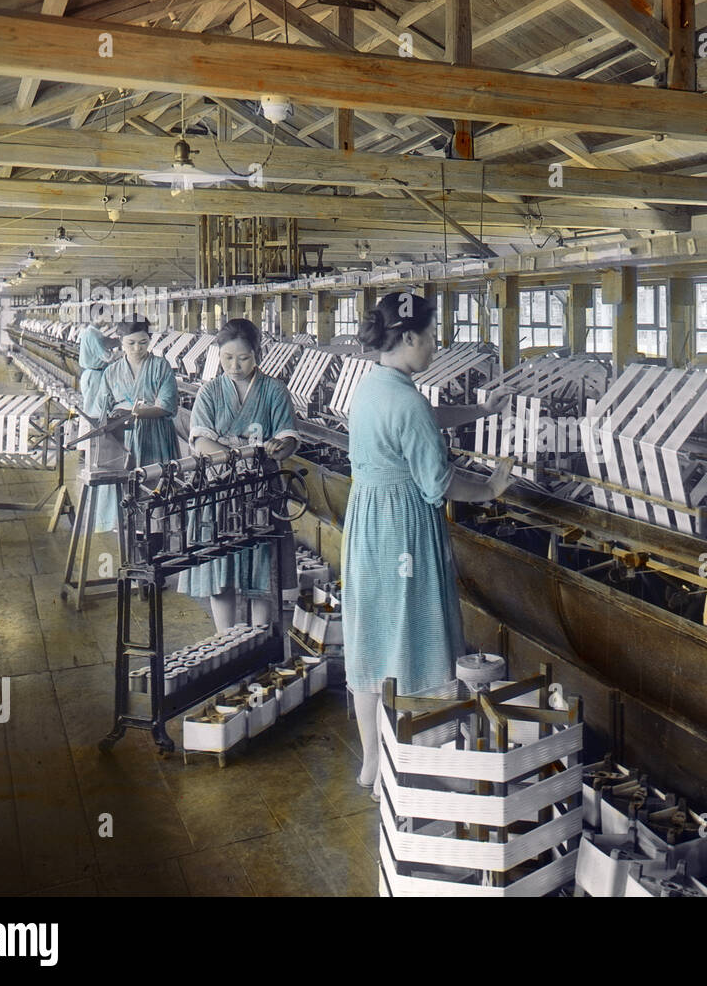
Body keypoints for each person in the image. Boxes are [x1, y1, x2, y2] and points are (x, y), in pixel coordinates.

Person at [341, 291, 513, 799]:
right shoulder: (409, 401)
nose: (437, 345)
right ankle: (417, 769)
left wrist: (479, 410)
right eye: (433, 335)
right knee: (417, 634)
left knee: (373, 636)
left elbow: (422, 417)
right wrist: (490, 488)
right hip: (405, 531)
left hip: (368, 526)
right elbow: (439, 483)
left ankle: (373, 765)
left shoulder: (372, 385)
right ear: (410, 336)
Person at [178, 318, 302, 632]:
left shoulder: (274, 390)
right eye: (227, 358)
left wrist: (279, 447)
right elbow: (200, 441)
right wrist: (239, 456)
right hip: (220, 487)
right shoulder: (209, 392)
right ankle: (225, 637)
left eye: (243, 358)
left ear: (257, 354)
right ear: (218, 355)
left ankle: (258, 636)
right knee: (221, 561)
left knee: (262, 561)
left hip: (263, 490)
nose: (235, 366)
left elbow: (288, 436)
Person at [99, 319, 181, 532]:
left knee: (156, 486)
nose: (137, 348)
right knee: (128, 490)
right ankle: (130, 533)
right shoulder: (111, 372)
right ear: (121, 341)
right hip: (124, 439)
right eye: (131, 343)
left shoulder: (161, 366)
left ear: (150, 340)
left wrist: (135, 412)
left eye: (143, 342)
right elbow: (103, 408)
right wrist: (115, 415)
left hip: (156, 436)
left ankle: (157, 535)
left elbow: (166, 405)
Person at [77, 320, 121, 531]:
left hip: (90, 374)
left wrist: (117, 341)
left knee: (90, 413)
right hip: (95, 375)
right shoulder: (94, 334)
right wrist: (121, 351)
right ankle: (92, 450)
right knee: (94, 415)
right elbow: (107, 357)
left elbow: (106, 344)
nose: (106, 320)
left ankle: (87, 450)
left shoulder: (91, 332)